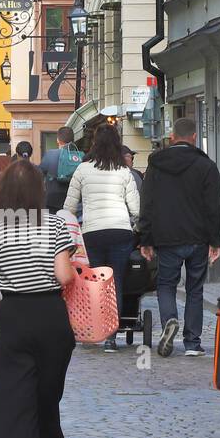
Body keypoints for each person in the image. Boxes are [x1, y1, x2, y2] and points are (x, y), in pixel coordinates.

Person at [0, 159, 77, 438]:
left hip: (15, 315)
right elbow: (65, 277)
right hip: (51, 316)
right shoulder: (55, 225)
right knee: (47, 395)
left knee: (18, 398)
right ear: (39, 191)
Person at [136, 116, 220, 357]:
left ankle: (169, 321)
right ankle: (192, 343)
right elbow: (214, 206)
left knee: (166, 284)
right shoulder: (206, 166)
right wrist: (216, 240)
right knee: (195, 289)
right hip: (198, 237)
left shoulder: (156, 165)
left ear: (172, 137)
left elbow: (148, 203)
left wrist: (145, 238)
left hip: (166, 236)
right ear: (194, 137)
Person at [62, 123, 140, 352]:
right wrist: (136, 226)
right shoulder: (124, 172)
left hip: (93, 232)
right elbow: (135, 209)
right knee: (115, 282)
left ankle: (95, 328)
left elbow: (68, 205)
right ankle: (111, 337)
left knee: (96, 281)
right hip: (120, 231)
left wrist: (68, 227)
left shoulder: (82, 170)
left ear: (94, 144)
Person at [39, 126, 79, 212]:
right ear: (73, 140)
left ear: (58, 140)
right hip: (72, 201)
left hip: (52, 201)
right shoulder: (79, 156)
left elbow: (39, 174)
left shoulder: (50, 154)